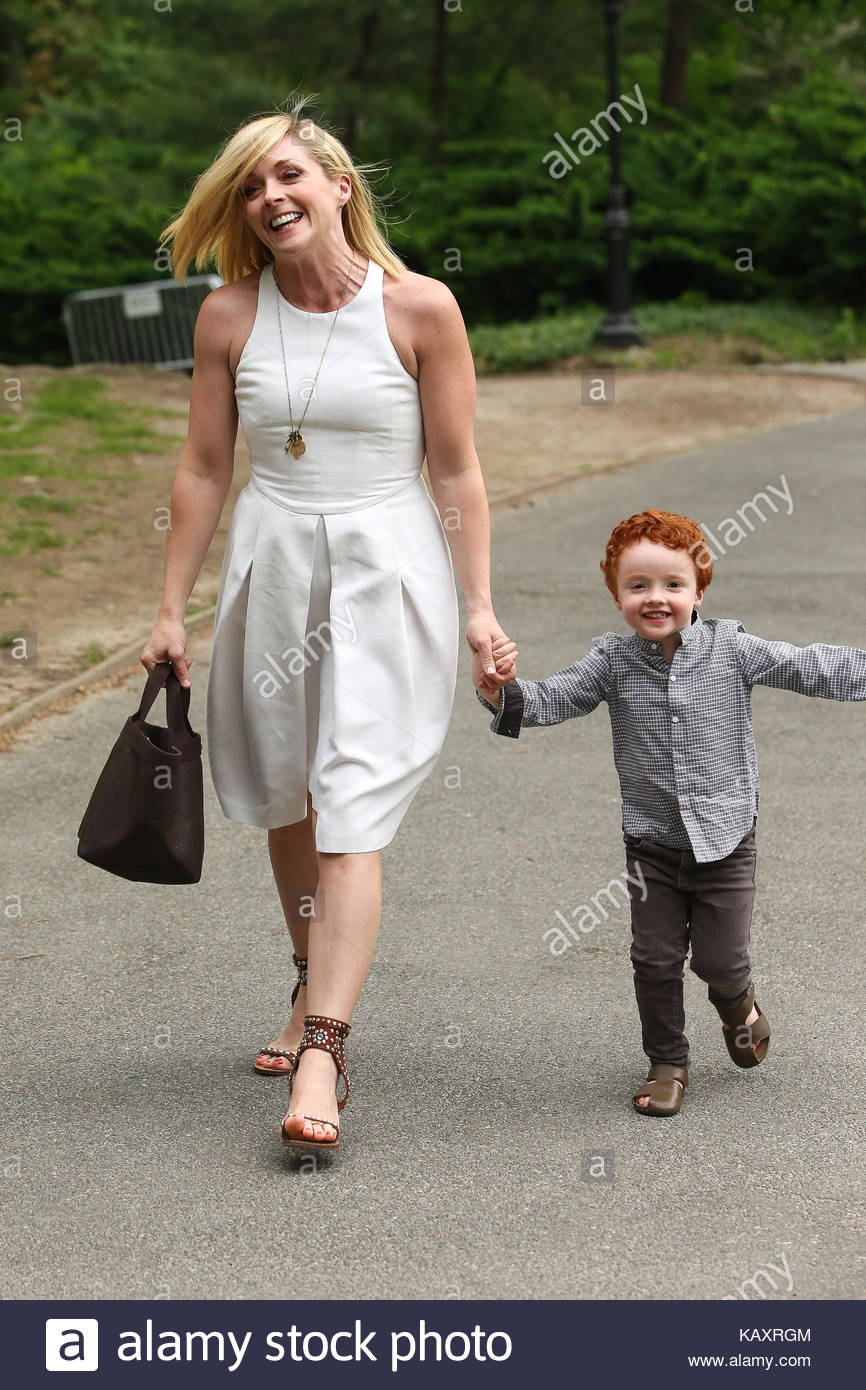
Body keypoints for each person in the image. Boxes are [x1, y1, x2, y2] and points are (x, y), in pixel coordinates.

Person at [140, 97, 518, 1155]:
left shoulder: (418, 309)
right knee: (285, 794)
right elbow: (205, 469)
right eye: (251, 186)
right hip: (273, 565)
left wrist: (479, 607)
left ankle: (325, 1049)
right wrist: (170, 607)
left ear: (338, 187)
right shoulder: (227, 317)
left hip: (384, 569)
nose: (269, 197)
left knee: (348, 792)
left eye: (289, 177)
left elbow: (456, 469)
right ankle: (309, 979)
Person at [475, 508, 866, 1116]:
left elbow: (807, 664)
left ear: (698, 591)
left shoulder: (732, 649)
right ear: (617, 596)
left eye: (672, 585)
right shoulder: (611, 660)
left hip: (726, 841)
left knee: (719, 961)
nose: (655, 598)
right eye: (638, 586)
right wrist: (501, 691)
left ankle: (738, 1002)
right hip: (651, 847)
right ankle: (667, 1062)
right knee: (654, 960)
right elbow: (555, 699)